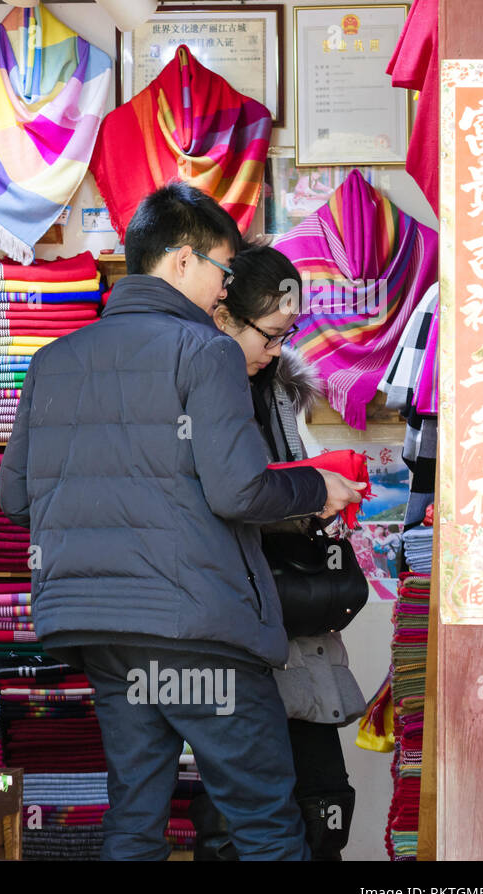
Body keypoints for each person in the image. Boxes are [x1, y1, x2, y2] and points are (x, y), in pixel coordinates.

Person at [0, 182, 366, 861]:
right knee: (263, 820)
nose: (226, 290)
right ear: (182, 260)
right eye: (224, 271)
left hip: (100, 630)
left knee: (135, 819)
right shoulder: (206, 353)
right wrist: (317, 488)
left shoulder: (53, 363)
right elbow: (237, 490)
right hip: (199, 628)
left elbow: (15, 498)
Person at [186, 242, 366, 861]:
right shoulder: (192, 390)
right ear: (222, 316)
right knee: (240, 809)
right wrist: (307, 492)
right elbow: (227, 499)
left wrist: (318, 494)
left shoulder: (277, 391)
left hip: (292, 621)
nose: (276, 350)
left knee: (318, 803)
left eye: (285, 336)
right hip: (232, 623)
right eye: (269, 335)